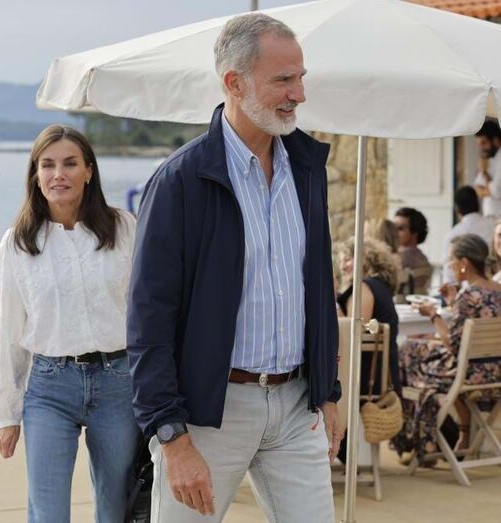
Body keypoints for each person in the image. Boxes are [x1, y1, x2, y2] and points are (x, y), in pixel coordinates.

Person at [127, 13, 341, 522]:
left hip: (296, 407)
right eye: (284, 80)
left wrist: (327, 393)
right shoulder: (180, 181)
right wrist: (171, 438)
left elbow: (318, 284)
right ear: (234, 83)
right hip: (207, 414)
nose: (299, 94)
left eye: (301, 77)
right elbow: (148, 319)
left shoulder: (309, 171)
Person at [0, 125, 138, 522]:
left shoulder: (124, 229)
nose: (59, 174)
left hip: (119, 382)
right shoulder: (18, 242)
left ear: (89, 170)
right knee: (47, 511)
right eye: (48, 165)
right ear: (35, 174)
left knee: (117, 507)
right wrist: (6, 414)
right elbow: (7, 332)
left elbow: (147, 313)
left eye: (70, 164)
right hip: (50, 387)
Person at [392, 234, 501, 459]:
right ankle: (452, 434)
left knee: (407, 354)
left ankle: (420, 439)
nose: (450, 264)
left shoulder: (469, 295)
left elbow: (453, 345)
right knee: (416, 350)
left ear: (464, 263)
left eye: (452, 259)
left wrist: (433, 315)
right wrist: (453, 302)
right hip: (495, 371)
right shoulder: (497, 290)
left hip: (468, 375)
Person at [336, 237, 401, 394]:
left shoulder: (364, 287)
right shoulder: (379, 286)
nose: (342, 267)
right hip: (386, 372)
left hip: (367, 378)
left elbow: (352, 332)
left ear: (364, 259)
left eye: (347, 260)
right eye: (340, 261)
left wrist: (332, 302)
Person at [442, 186, 495, 282]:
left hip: (464, 286)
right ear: (478, 204)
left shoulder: (453, 234)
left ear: (457, 208)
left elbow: (448, 272)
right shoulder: (494, 226)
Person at [393, 207, 433, 295]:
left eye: (400, 228)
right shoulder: (422, 257)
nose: (394, 231)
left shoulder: (401, 258)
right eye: (393, 227)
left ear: (415, 232)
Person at [472, 119, 501, 217]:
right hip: (490, 217)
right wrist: (490, 191)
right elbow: (477, 190)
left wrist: (484, 172)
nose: (482, 148)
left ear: (495, 140)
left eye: (484, 143)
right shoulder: (488, 158)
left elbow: (497, 191)